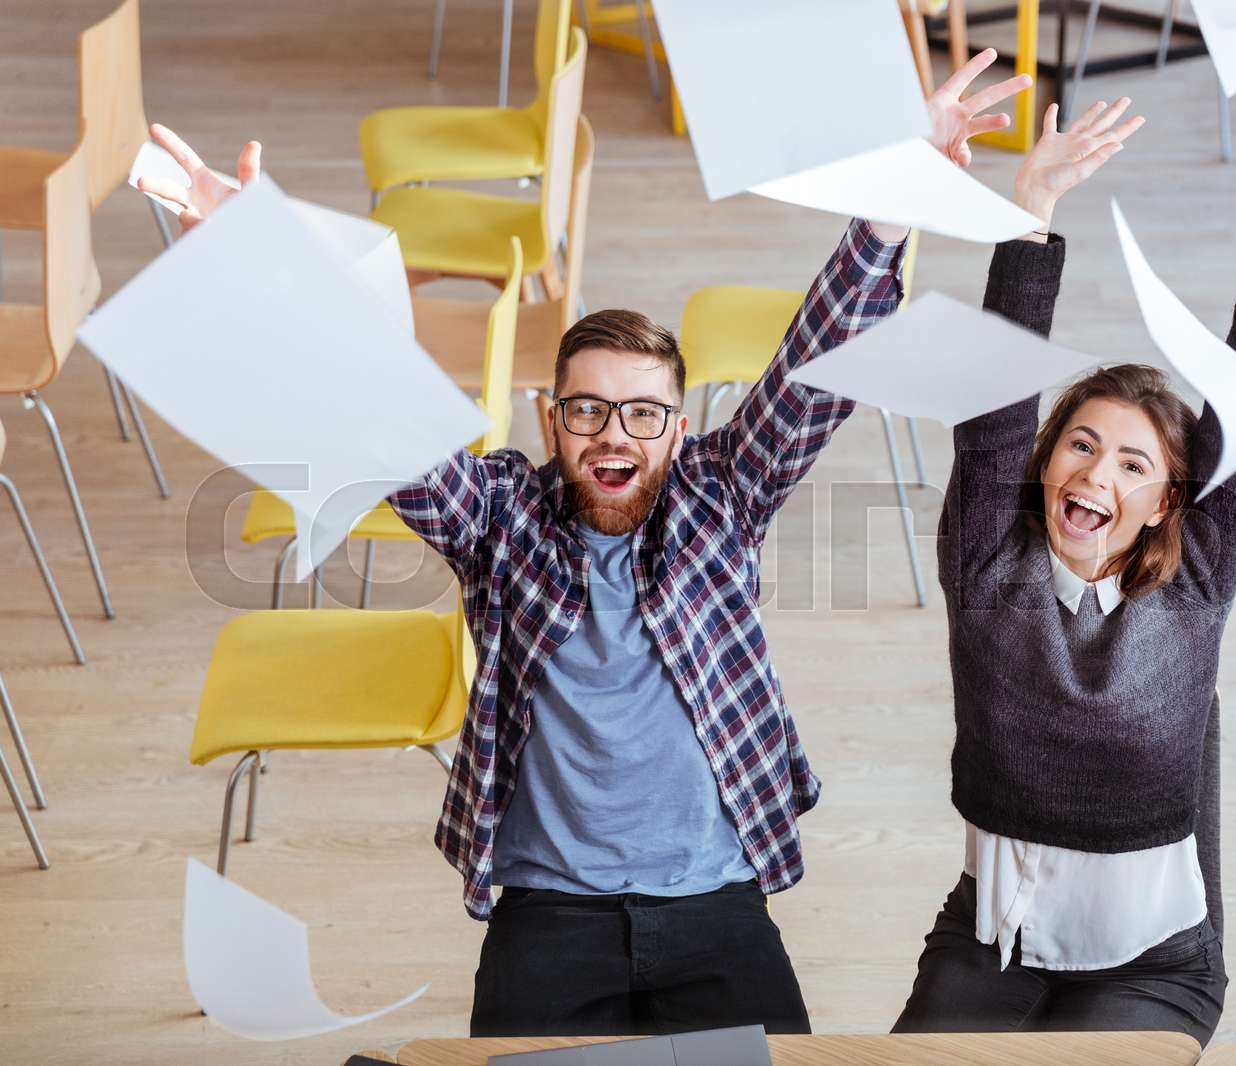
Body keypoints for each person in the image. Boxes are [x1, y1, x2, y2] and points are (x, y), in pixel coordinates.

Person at [142, 50, 1032, 1038]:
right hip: (548, 913)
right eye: (589, 410)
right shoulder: (497, 519)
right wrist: (257, 260)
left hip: (716, 906)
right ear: (550, 420)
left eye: (645, 414)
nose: (616, 434)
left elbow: (813, 371)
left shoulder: (722, 496)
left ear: (680, 429)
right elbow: (376, 411)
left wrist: (891, 202)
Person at [893, 95, 1236, 1045]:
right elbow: (993, 404)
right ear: (1048, 459)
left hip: (1155, 965)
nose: (1097, 473)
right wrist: (1033, 200)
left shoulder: (1196, 585)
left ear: (1165, 502)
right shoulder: (987, 564)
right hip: (992, 949)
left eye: (1134, 465)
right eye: (1080, 445)